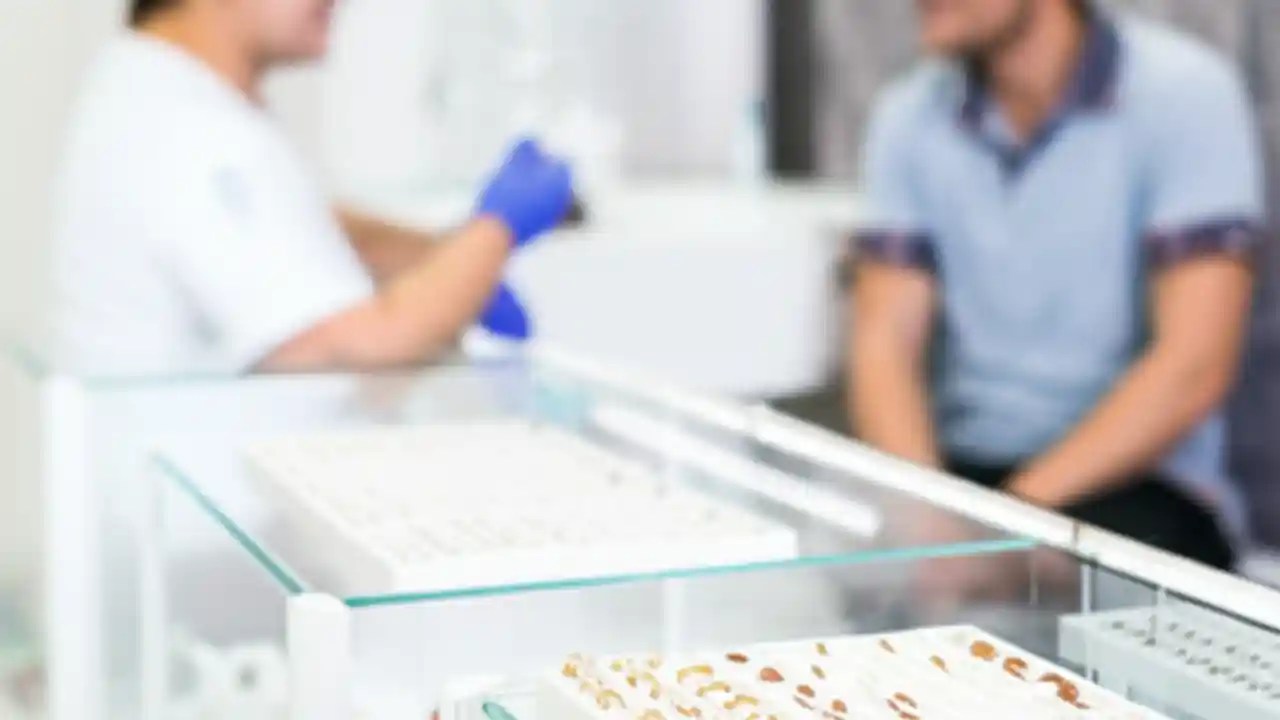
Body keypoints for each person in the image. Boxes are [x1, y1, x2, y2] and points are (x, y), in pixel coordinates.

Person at [848, 0, 1263, 569]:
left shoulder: (1185, 94)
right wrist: (930, 518)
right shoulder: (907, 114)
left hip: (1136, 478)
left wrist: (1010, 523)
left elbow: (1193, 366)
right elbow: (883, 341)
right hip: (962, 474)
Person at [53, 0, 573, 375]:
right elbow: (348, 349)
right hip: (191, 515)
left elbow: (302, 229)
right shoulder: (191, 129)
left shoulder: (156, 86)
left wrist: (452, 258)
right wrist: (496, 229)